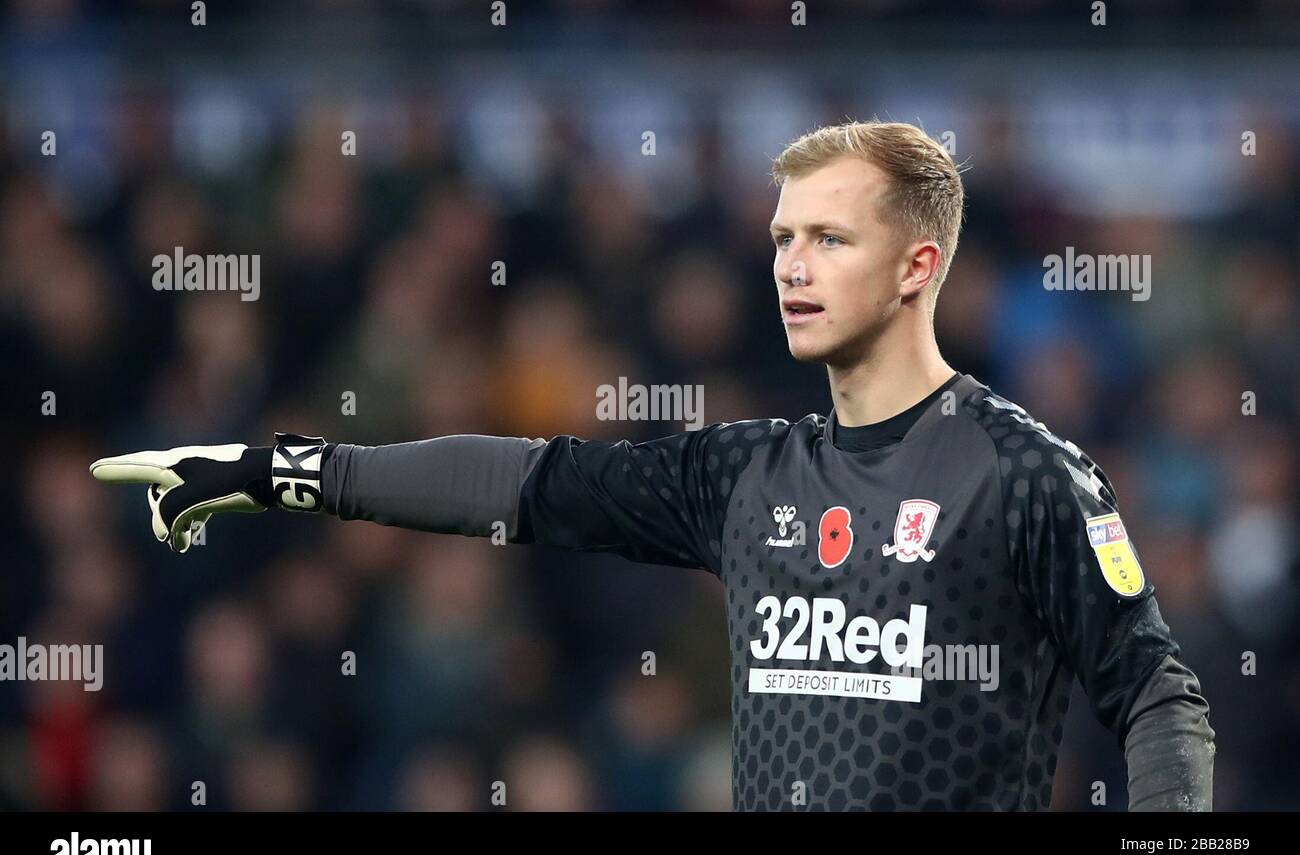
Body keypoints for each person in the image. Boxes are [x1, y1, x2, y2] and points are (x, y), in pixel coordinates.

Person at [91, 120, 1214, 811]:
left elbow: (1158, 692)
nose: (791, 265)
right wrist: (277, 468)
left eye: (829, 238)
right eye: (782, 237)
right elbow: (520, 483)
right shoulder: (746, 474)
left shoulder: (1022, 473)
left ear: (919, 264)